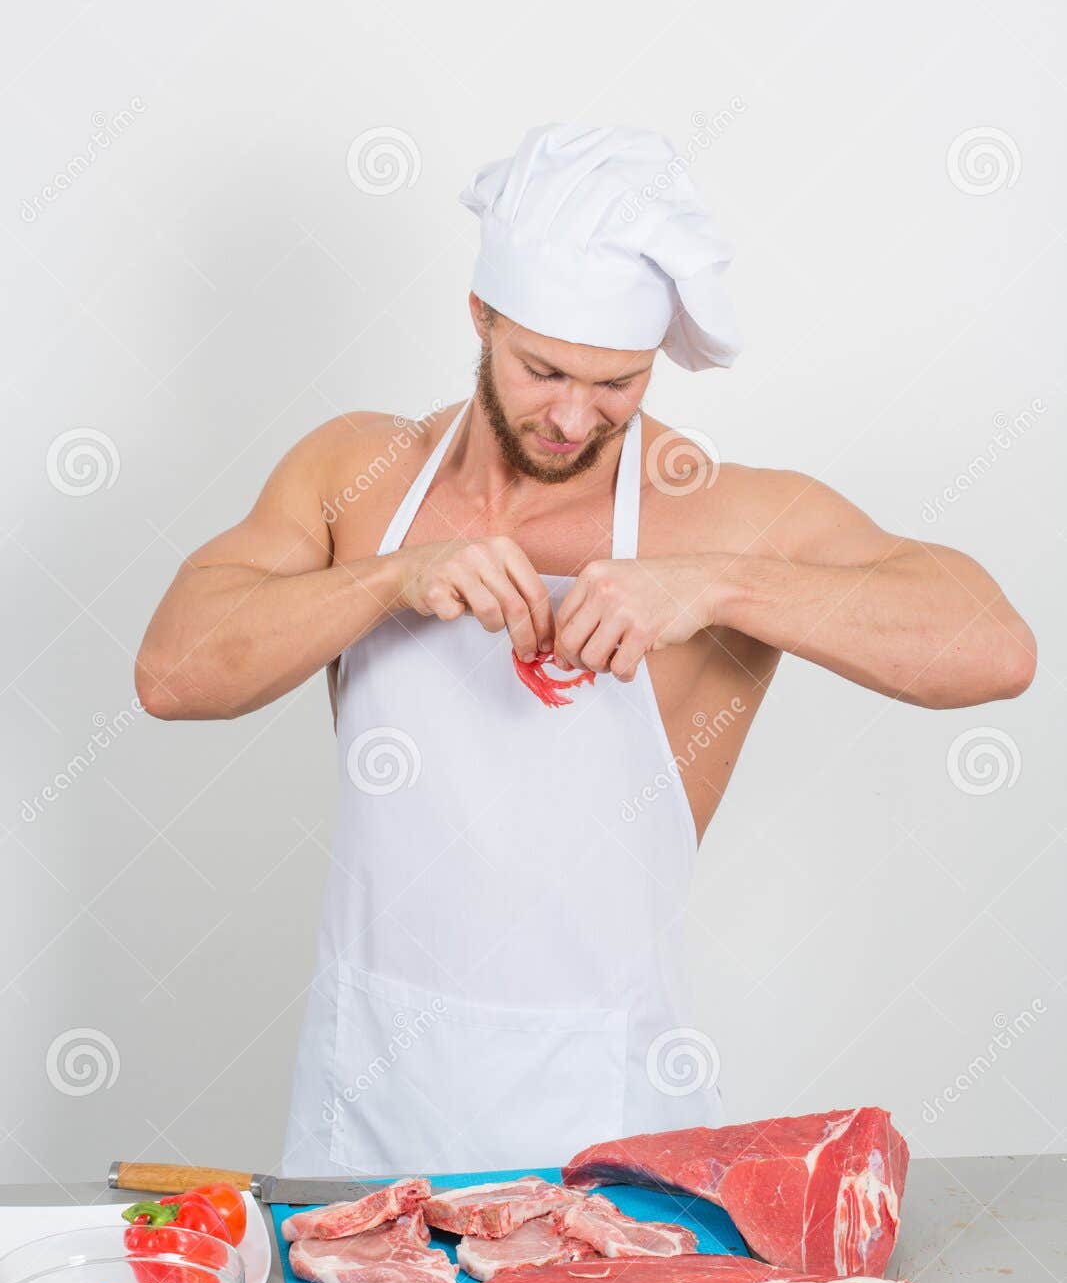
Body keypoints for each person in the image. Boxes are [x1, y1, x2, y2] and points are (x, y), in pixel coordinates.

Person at [135, 122, 1036, 1177]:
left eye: (616, 384)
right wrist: (389, 579)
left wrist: (712, 586)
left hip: (606, 1125)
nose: (571, 415)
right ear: (480, 315)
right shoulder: (363, 473)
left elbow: (993, 646)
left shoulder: (721, 513)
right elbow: (172, 673)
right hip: (367, 1102)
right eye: (542, 369)